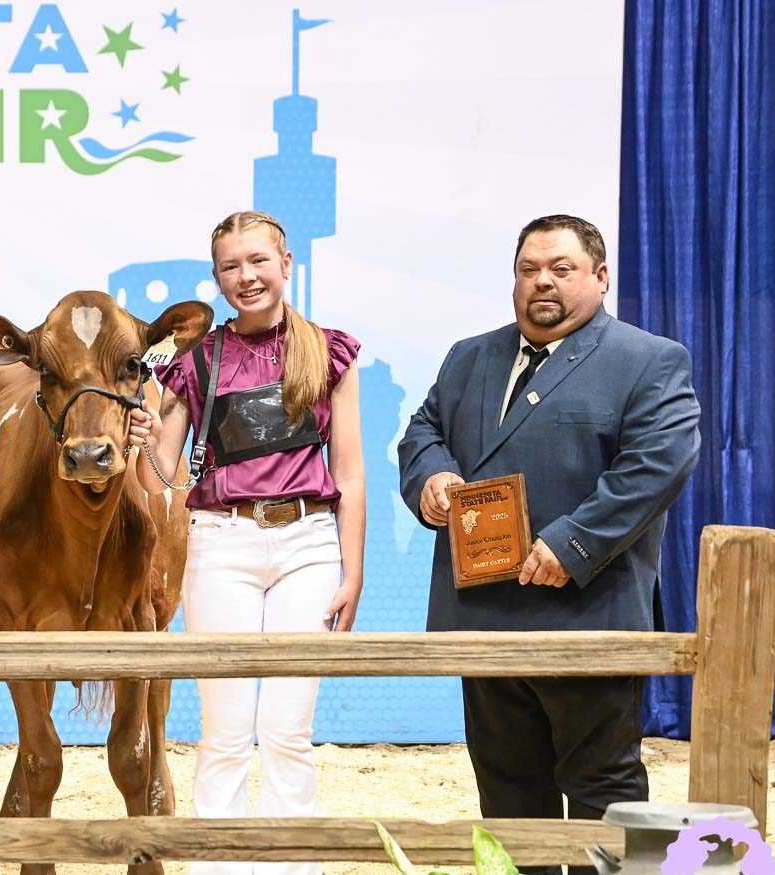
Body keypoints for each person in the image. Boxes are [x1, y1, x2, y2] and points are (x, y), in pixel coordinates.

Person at [397, 214, 701, 875]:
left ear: (600, 276)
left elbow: (657, 464)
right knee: (508, 790)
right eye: (529, 269)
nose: (543, 281)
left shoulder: (648, 359)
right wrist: (430, 477)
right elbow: (421, 432)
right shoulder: (468, 355)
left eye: (561, 269)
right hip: (483, 617)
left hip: (589, 615)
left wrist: (573, 542)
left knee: (603, 787)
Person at [131, 210, 365, 875]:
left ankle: (296, 864)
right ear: (216, 278)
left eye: (259, 261)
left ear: (286, 263)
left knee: (288, 729)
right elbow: (163, 475)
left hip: (309, 544)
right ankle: (218, 864)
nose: (247, 277)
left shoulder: (330, 350)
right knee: (227, 729)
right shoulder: (196, 360)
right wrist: (144, 439)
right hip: (221, 543)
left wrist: (353, 572)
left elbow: (348, 471)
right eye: (231, 266)